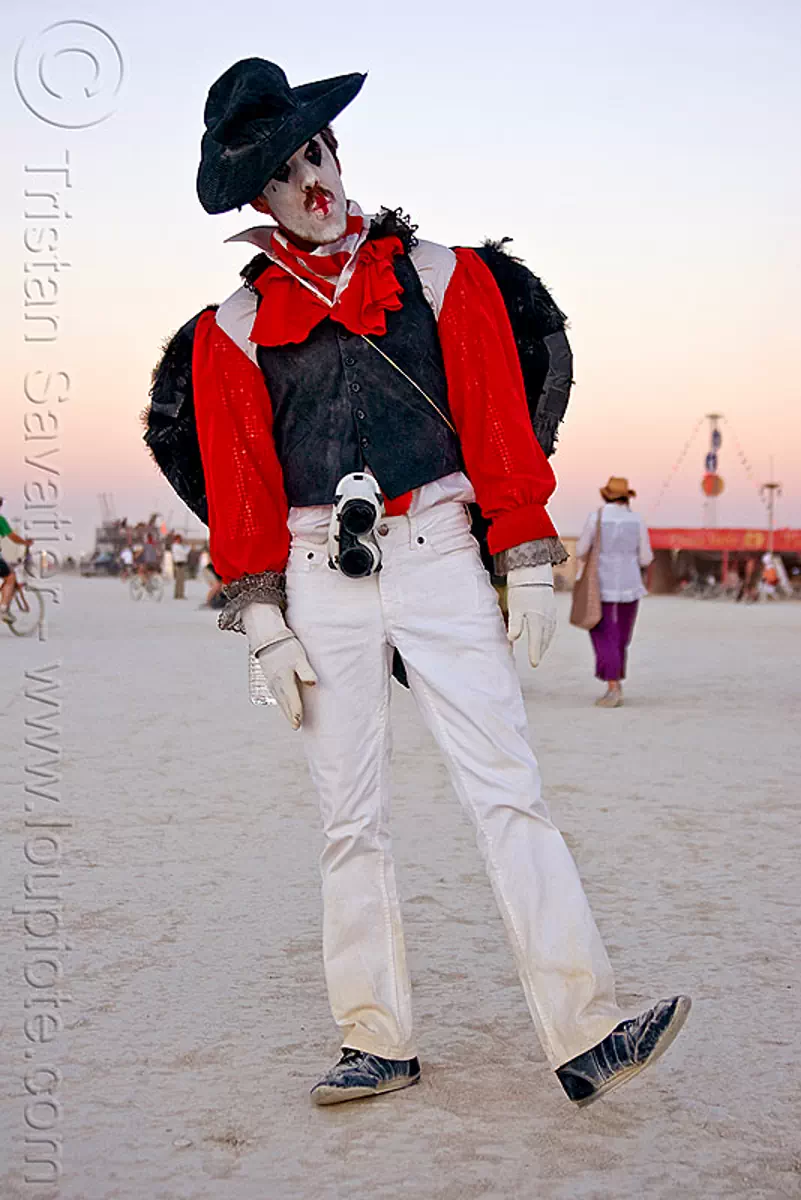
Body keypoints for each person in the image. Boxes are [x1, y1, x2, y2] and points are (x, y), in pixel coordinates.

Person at [146, 58, 689, 1109]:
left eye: (316, 151)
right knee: (349, 817)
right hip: (317, 576)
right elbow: (244, 481)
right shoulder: (232, 327)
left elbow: (493, 419)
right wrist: (261, 617)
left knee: (509, 791)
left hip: (441, 551)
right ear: (258, 197)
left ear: (337, 154)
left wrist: (525, 559)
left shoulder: (443, 275)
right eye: (283, 169)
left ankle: (587, 1032)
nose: (311, 179)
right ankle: (376, 1039)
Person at [576, 477, 653, 707]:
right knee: (621, 636)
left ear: (606, 495)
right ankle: (615, 679)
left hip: (601, 585)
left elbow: (581, 549)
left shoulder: (596, 517)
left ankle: (613, 685)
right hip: (631, 585)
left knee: (602, 633)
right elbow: (646, 557)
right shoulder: (636, 520)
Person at [0, 496, 34, 624]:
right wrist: (26, 542)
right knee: (10, 577)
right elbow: (12, 537)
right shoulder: (0, 520)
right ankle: (3, 610)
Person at [170, 534, 189, 599]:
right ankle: (180, 595)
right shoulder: (176, 546)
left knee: (179, 581)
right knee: (180, 581)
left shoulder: (176, 546)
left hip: (180, 563)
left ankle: (177, 594)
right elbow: (185, 552)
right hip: (180, 564)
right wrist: (188, 547)